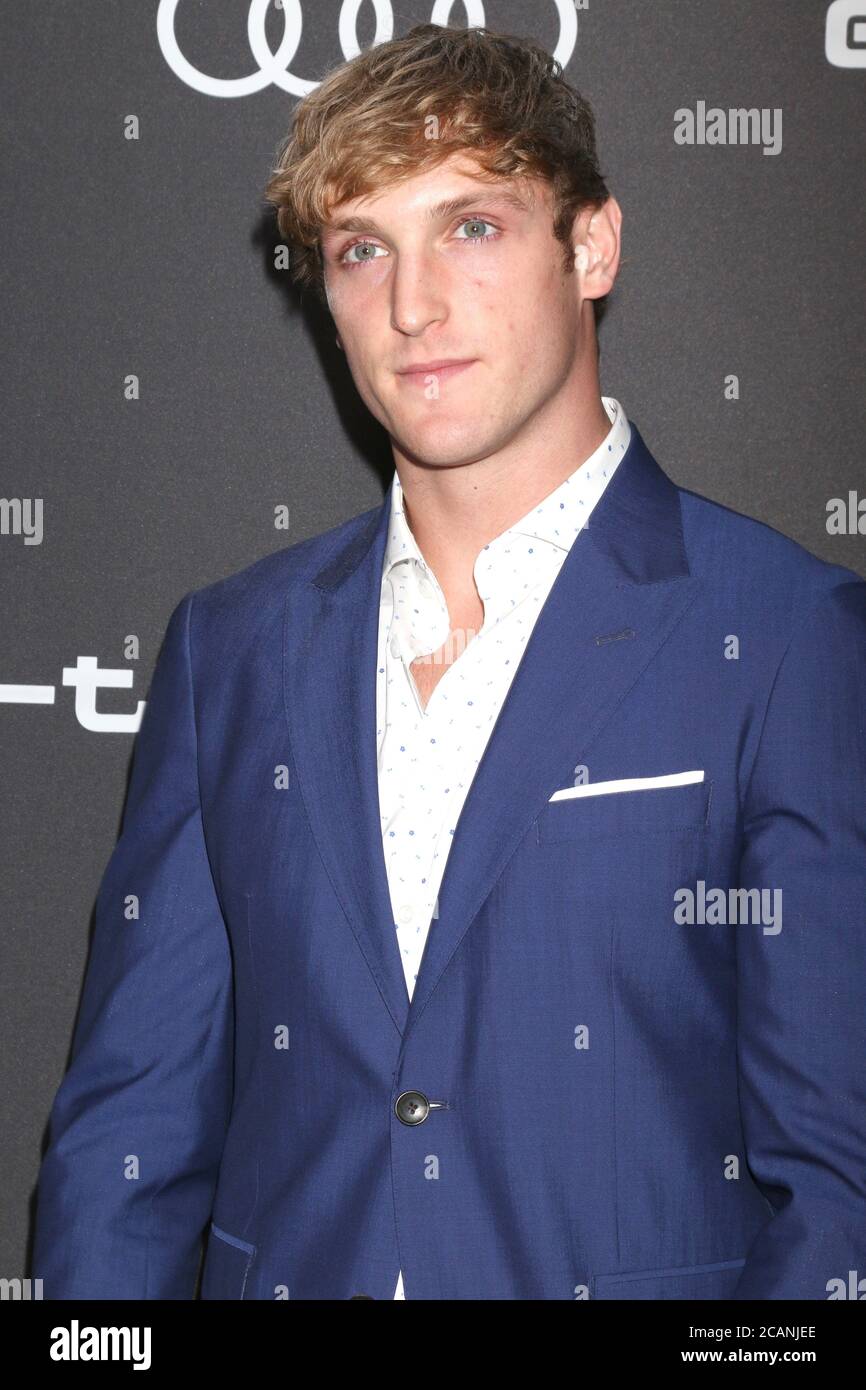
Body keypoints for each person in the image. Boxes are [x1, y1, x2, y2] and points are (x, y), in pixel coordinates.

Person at [33, 23, 866, 1300]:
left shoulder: (785, 636)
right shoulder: (233, 648)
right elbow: (126, 1145)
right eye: (362, 250)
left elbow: (839, 1189)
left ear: (588, 247)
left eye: (469, 227)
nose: (410, 306)